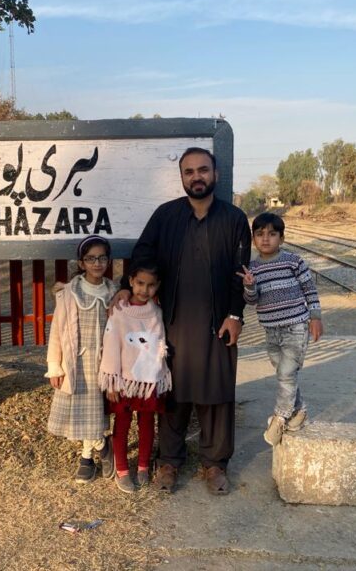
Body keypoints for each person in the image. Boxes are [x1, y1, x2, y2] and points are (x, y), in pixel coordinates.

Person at [111, 147, 251, 495]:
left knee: (217, 392)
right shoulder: (166, 216)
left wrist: (235, 315)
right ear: (182, 178)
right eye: (189, 172)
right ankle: (169, 461)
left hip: (218, 323)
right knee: (171, 391)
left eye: (203, 170)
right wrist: (126, 286)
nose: (196, 177)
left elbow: (240, 272)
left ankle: (215, 463)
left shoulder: (234, 219)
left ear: (215, 174)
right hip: (171, 321)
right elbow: (143, 253)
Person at [238, 212, 323, 446]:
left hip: (296, 327)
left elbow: (309, 289)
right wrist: (249, 286)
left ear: (282, 238)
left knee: (286, 374)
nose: (266, 239)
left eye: (272, 234)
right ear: (254, 239)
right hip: (271, 331)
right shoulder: (252, 268)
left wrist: (315, 317)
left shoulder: (293, 261)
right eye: (260, 234)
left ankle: (280, 417)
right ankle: (300, 410)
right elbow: (252, 301)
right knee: (285, 374)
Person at [45, 235, 117, 484]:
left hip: (104, 362)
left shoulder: (113, 293)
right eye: (91, 258)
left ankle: (87, 457)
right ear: (81, 262)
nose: (97, 263)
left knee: (95, 413)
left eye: (102, 258)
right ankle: (101, 448)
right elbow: (57, 332)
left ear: (108, 261)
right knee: (82, 413)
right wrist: (55, 365)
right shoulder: (69, 293)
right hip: (77, 363)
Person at [99, 259, 171, 493]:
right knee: (122, 423)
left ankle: (142, 466)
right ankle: (121, 469)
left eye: (151, 285)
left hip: (147, 380)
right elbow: (111, 345)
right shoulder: (119, 312)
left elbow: (159, 347)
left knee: (147, 423)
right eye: (140, 283)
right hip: (123, 381)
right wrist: (112, 381)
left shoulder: (156, 313)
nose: (144, 290)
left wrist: (157, 377)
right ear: (130, 281)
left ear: (158, 286)